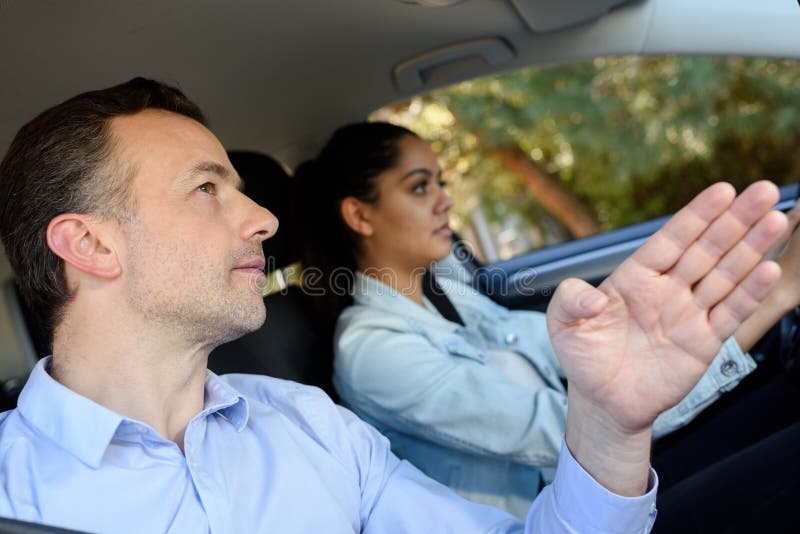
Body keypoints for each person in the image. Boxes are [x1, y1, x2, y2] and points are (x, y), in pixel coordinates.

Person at [0, 78, 787, 533]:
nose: (263, 220)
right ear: (93, 246)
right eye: (208, 189)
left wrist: (612, 424)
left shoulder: (316, 430)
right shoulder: (13, 488)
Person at [294, 121, 800, 518]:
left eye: (441, 182)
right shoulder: (372, 350)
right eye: (420, 187)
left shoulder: (447, 292)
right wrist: (776, 295)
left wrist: (756, 276)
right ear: (360, 216)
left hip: (595, 478)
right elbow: (566, 430)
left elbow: (564, 349)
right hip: (557, 514)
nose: (445, 198)